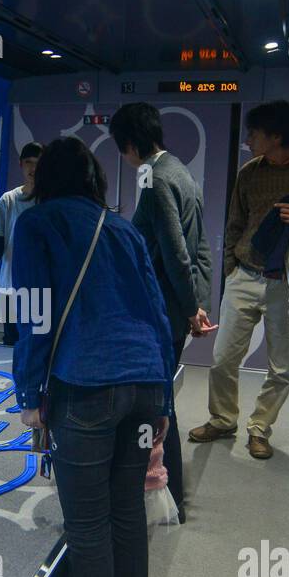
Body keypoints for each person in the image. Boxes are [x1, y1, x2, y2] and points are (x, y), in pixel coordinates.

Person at [12, 137, 175, 577]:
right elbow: (157, 314)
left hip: (86, 387)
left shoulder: (36, 225)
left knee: (86, 522)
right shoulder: (123, 228)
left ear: (47, 178)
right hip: (146, 386)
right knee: (127, 505)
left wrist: (29, 396)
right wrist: (166, 400)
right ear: (95, 180)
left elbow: (35, 318)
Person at [188, 99, 289, 460]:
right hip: (244, 274)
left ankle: (260, 428)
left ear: (276, 136)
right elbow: (234, 223)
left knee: (281, 365)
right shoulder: (250, 172)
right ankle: (223, 418)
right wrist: (230, 267)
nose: (248, 139)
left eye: (254, 133)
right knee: (222, 358)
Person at [109, 103, 213, 522]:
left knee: (158, 403)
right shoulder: (180, 168)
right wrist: (198, 301)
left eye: (122, 147)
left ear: (130, 144)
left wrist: (190, 310)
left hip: (165, 307)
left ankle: (168, 496)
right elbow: (197, 244)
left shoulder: (152, 177)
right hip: (179, 303)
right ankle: (167, 491)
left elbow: (174, 251)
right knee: (161, 396)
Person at [0, 141, 41, 345]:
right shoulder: (8, 200)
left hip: (41, 284)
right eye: (29, 162)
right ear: (21, 164)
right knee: (11, 338)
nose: (33, 168)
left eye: (38, 163)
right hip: (10, 282)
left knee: (36, 337)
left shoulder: (51, 200)